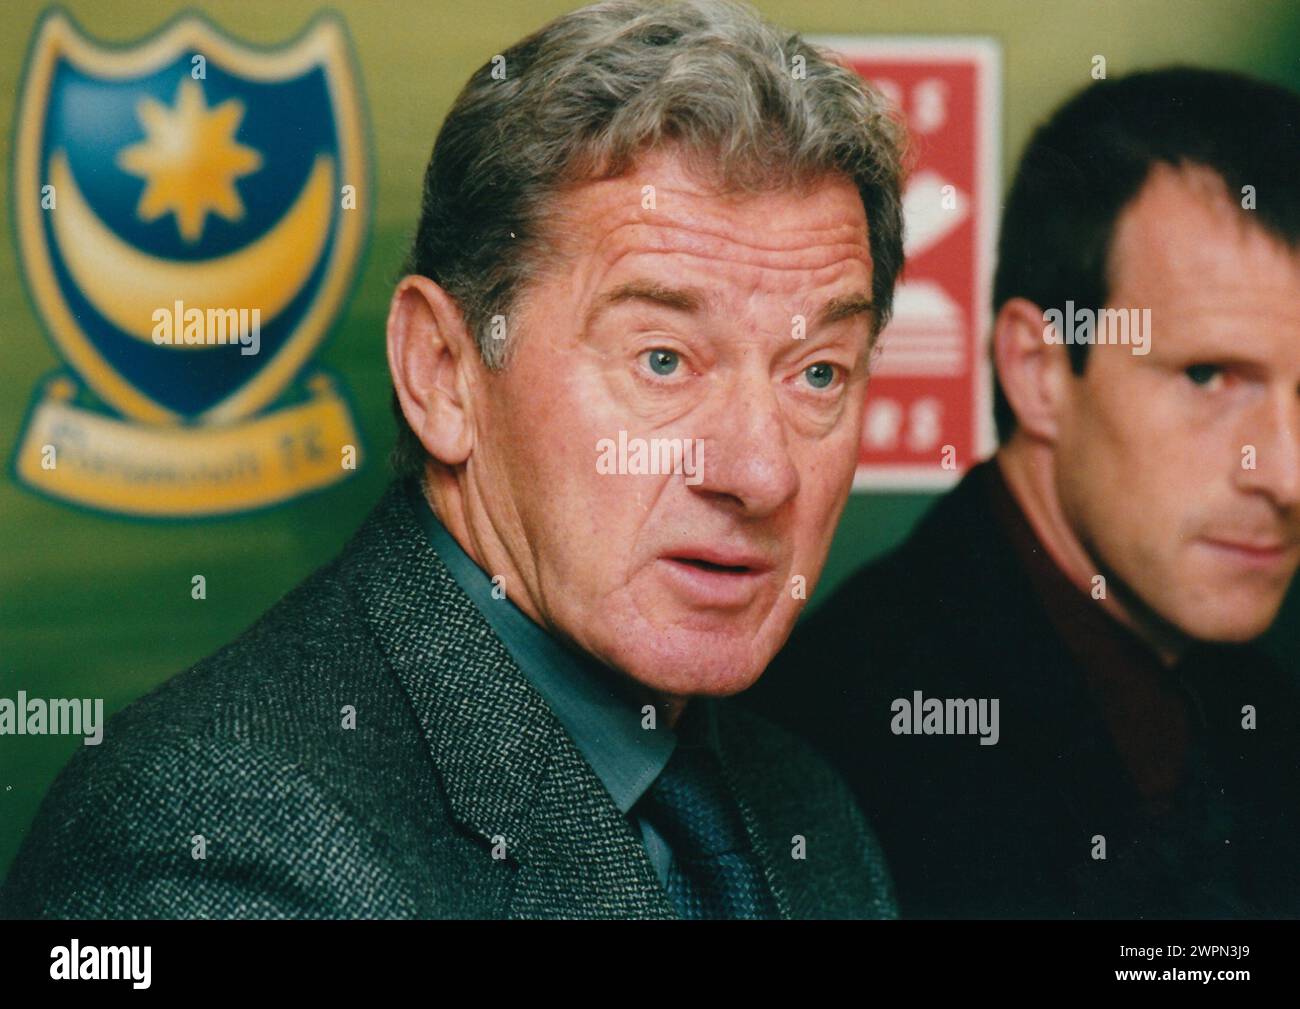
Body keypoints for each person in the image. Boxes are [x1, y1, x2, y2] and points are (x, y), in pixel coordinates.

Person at [1, 0, 906, 919]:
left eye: (819, 371)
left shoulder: (802, 810)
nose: (761, 472)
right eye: (662, 359)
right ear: (442, 373)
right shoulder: (210, 837)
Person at [747, 67, 1300, 918]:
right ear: (1039, 373)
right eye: (1208, 376)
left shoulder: (1255, 712)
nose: (1286, 476)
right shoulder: (827, 756)